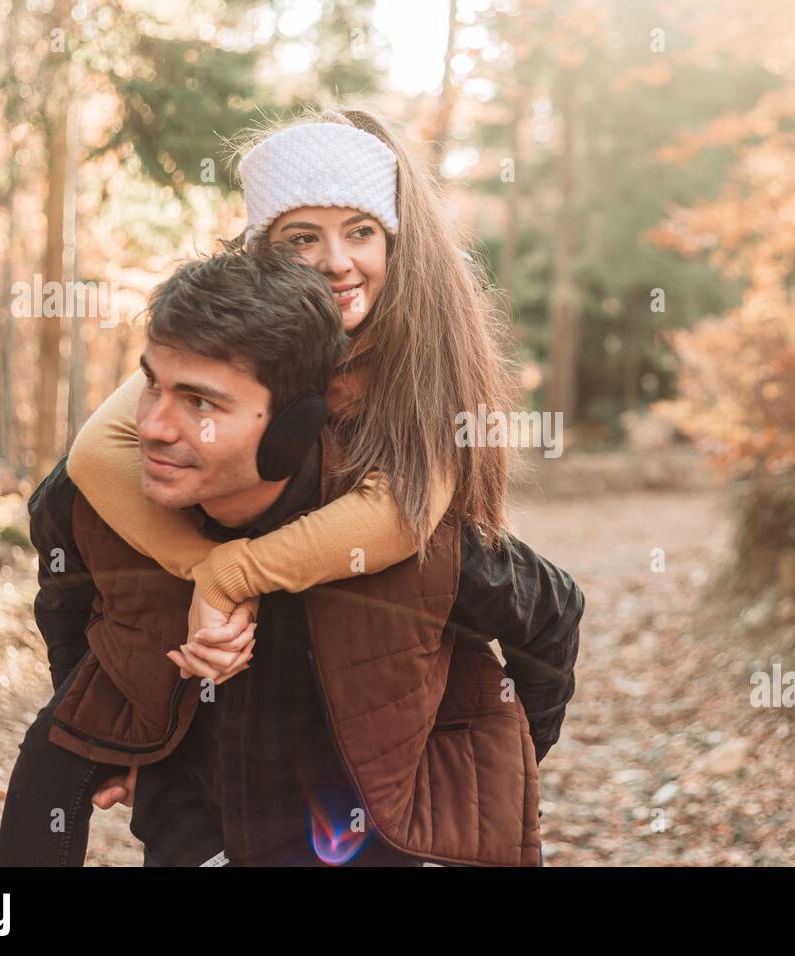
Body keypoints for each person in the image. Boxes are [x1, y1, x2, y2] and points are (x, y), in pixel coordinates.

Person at [0, 245, 584, 867]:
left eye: (200, 403)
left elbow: (553, 616)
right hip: (193, 837)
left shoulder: (410, 535)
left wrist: (483, 780)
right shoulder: (91, 503)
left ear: (292, 428)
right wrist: (120, 737)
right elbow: (67, 595)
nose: (152, 428)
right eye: (151, 385)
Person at [63, 111, 520, 806]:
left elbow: (401, 510)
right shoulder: (251, 330)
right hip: (237, 665)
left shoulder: (425, 345)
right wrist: (203, 568)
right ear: (263, 254)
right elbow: (99, 451)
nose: (336, 261)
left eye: (360, 232)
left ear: (391, 240)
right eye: (303, 238)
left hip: (380, 657)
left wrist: (233, 575)